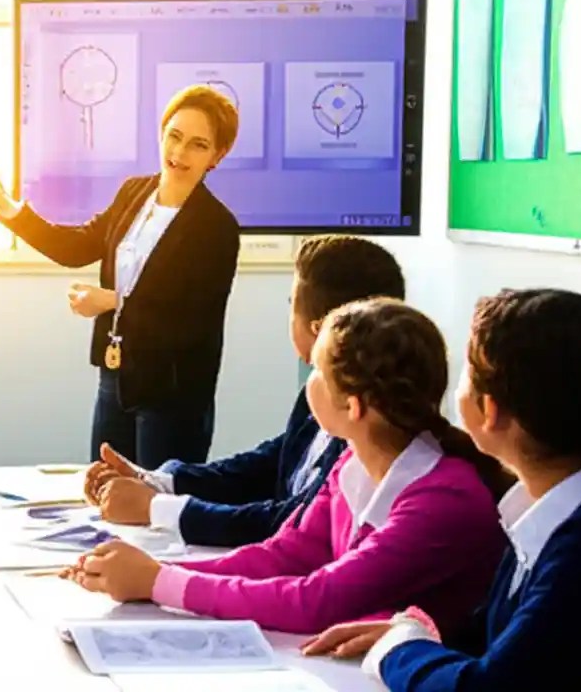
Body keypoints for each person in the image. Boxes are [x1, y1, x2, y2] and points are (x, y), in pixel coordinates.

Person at [66, 298, 513, 636]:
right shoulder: (353, 463)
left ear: (353, 407)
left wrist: (160, 582)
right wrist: (152, 572)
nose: (308, 378)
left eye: (317, 370)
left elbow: (318, 600)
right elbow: (289, 553)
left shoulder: (442, 499)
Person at [303, 289, 581, 691]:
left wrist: (401, 649)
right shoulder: (548, 510)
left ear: (490, 410)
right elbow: (502, 641)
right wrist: (420, 632)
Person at [0, 84, 241, 469]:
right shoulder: (133, 192)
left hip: (172, 395)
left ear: (216, 155)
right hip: (116, 375)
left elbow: (193, 322)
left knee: (151, 508)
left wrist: (115, 303)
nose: (179, 153)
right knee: (102, 494)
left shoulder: (217, 227)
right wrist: (13, 214)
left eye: (198, 145)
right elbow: (77, 247)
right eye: (174, 136)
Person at [85, 235, 406, 548]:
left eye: (291, 304)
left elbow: (292, 521)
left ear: (318, 329)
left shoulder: (365, 426)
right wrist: (157, 481)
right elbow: (272, 463)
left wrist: (156, 508)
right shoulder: (320, 390)